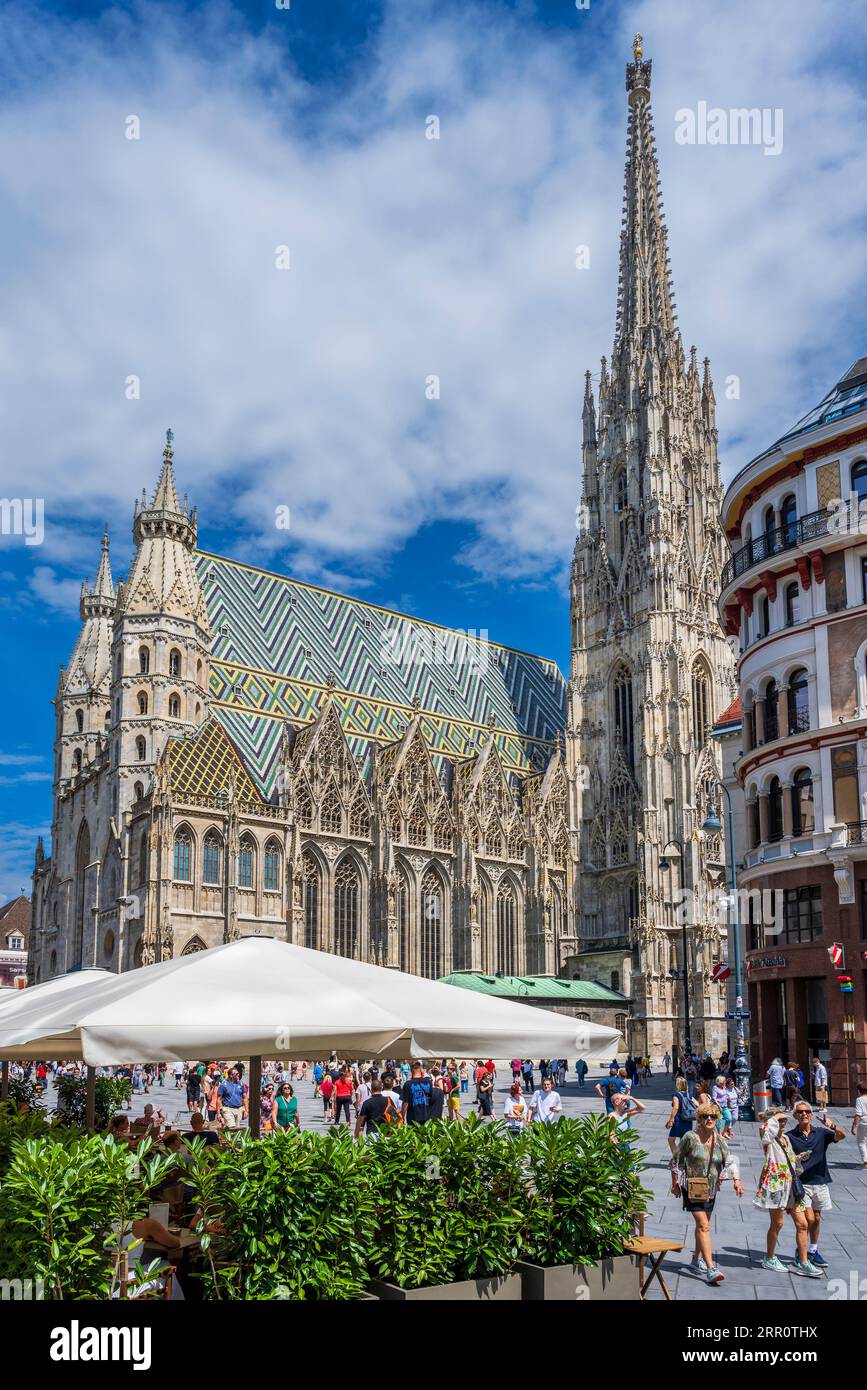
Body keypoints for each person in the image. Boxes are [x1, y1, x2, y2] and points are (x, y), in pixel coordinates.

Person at [671, 1101, 743, 1286]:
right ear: (699, 1119)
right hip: (692, 1187)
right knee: (704, 1225)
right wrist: (675, 1184)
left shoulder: (719, 1139)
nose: (709, 1119)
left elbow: (730, 1160)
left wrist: (736, 1180)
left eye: (713, 1117)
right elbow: (675, 1161)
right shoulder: (690, 1137)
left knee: (704, 1225)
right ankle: (711, 1268)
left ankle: (696, 1260)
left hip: (711, 1189)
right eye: (705, 1116)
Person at [753, 1109, 820, 1277]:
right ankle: (769, 1257)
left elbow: (787, 1160)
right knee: (778, 1224)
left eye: (784, 1121)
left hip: (791, 1186)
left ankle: (803, 1262)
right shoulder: (768, 1137)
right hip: (776, 1186)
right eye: (780, 1121)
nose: (783, 1124)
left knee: (803, 1223)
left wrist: (799, 1158)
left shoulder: (786, 1139)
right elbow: (765, 1132)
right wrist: (775, 1117)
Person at [786, 1100, 846, 1268]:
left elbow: (841, 1136)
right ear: (795, 1116)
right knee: (808, 1219)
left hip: (820, 1181)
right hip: (802, 1184)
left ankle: (812, 1250)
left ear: (811, 1115)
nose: (804, 1114)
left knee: (817, 1218)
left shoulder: (820, 1133)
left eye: (807, 1111)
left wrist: (832, 1126)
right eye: (800, 1112)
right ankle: (801, 1250)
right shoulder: (790, 1136)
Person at [665, 1076, 695, 1155]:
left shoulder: (676, 1095)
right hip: (688, 1120)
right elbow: (697, 1105)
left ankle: (676, 1159)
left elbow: (676, 1108)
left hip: (679, 1120)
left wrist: (671, 1119)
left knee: (671, 1139)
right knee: (684, 1141)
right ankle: (684, 1159)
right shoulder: (689, 1095)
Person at [851, 1082, 867, 1167]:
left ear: (859, 1091)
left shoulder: (859, 1100)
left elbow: (858, 1115)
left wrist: (854, 1127)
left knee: (862, 1141)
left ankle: (865, 1162)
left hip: (864, 1122)